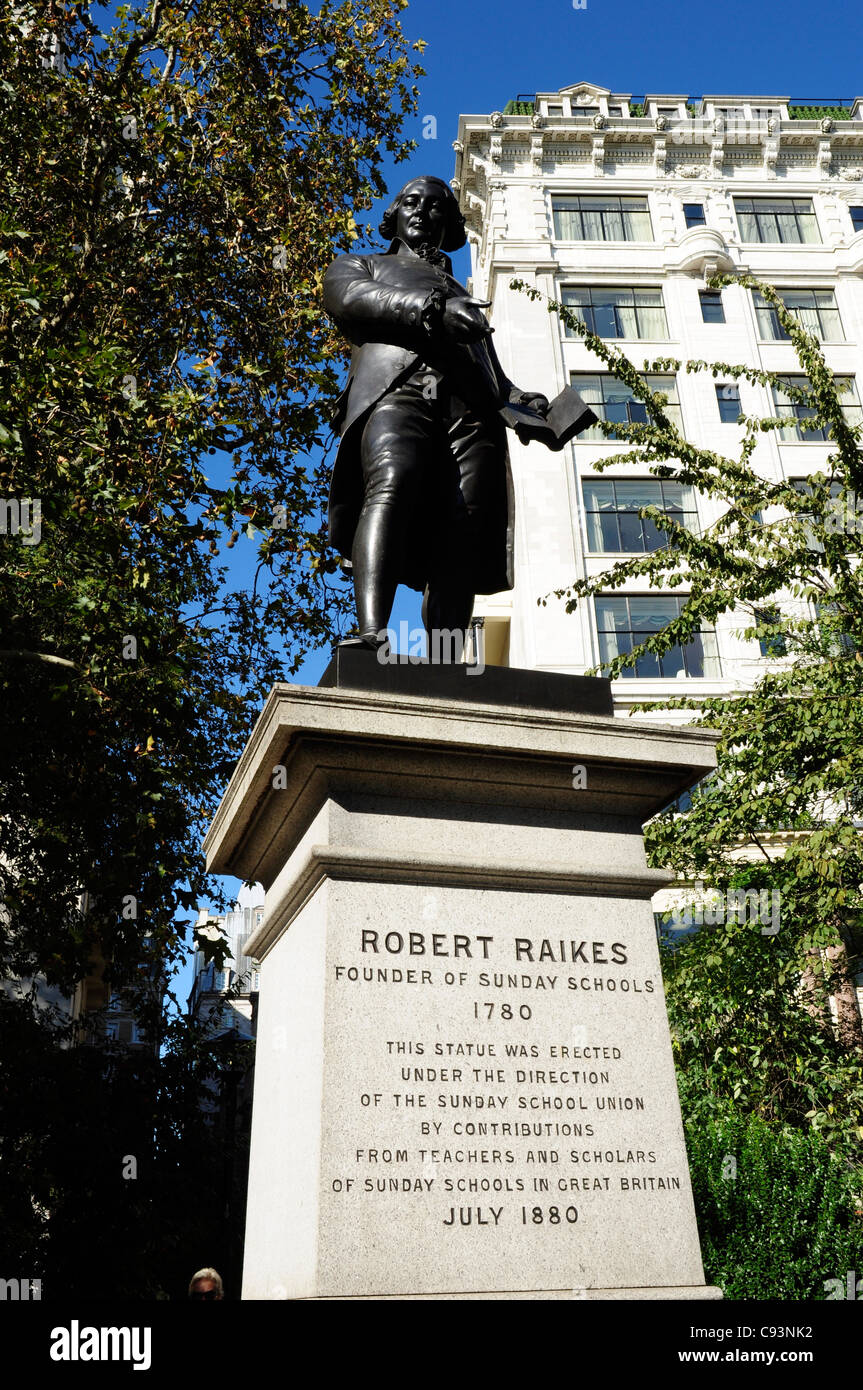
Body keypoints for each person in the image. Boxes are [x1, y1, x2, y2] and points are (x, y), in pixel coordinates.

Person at [322, 174, 554, 652]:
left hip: (470, 411)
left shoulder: (459, 291)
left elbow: (488, 368)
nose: (423, 212)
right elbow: (349, 299)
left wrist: (519, 401)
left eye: (436, 207)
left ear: (448, 223)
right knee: (392, 482)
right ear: (394, 214)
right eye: (412, 202)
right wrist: (430, 309)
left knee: (463, 522)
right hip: (397, 390)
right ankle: (372, 635)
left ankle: (446, 662)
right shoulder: (360, 263)